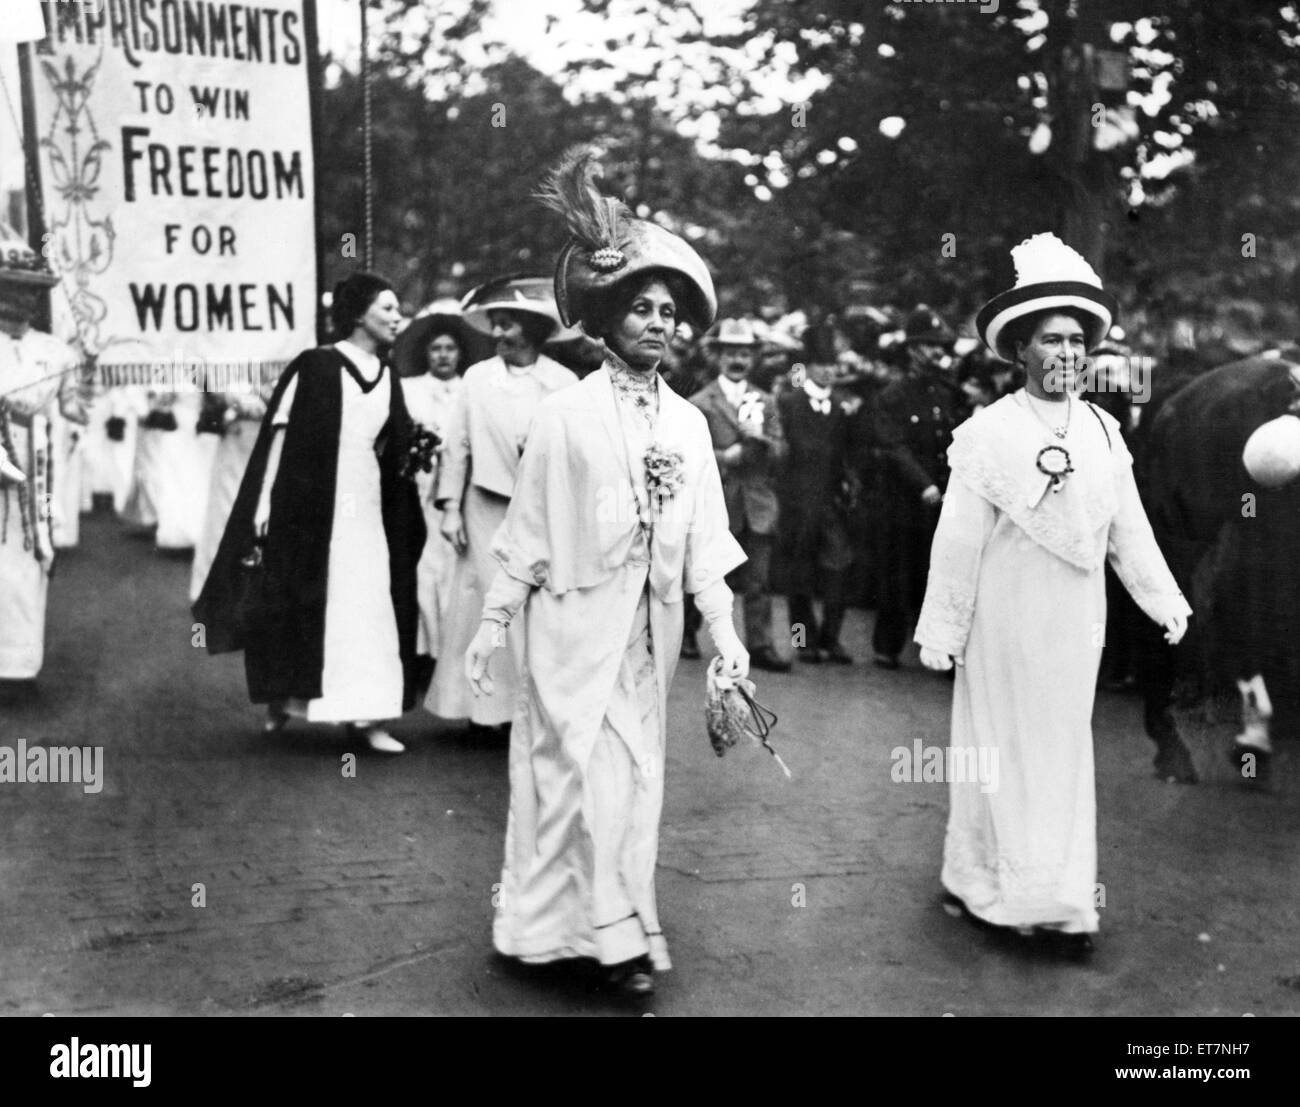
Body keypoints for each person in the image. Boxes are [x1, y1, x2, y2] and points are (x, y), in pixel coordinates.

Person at [467, 150, 748, 997]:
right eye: (641, 308)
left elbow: (708, 547)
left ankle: (618, 940)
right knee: (563, 779)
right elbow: (526, 532)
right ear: (607, 317)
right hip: (568, 626)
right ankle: (540, 931)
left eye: (669, 311)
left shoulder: (693, 429)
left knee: (630, 783)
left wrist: (725, 639)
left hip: (645, 637)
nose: (659, 323)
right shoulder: (563, 417)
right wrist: (489, 626)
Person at [914, 233, 1190, 957]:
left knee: (1061, 752)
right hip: (1004, 618)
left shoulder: (1103, 430)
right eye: (1051, 341)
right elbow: (959, 541)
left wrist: (1163, 597)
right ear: (1020, 350)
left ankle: (1062, 897)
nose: (1068, 355)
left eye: (1077, 342)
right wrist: (943, 629)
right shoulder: (986, 433)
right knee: (1003, 749)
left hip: (1075, 618)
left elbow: (1128, 526)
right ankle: (1007, 893)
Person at [193, 271, 426, 754]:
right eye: (387, 307)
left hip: (366, 510)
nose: (397, 315)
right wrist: (263, 509)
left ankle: (368, 715)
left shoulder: (388, 376)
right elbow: (278, 436)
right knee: (305, 602)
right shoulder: (316, 366)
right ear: (359, 313)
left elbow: (390, 444)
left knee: (368, 603)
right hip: (308, 507)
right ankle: (286, 698)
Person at [426, 276, 577, 736]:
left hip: (539, 511)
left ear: (532, 330)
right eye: (495, 324)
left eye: (507, 324)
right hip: (484, 506)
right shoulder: (476, 377)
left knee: (534, 608)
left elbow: (574, 455)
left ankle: (528, 710)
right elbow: (458, 446)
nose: (498, 334)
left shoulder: (562, 383)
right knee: (483, 603)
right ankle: (482, 709)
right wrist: (450, 507)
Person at [0, 227, 85, 681]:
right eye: (9, 290)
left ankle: (18, 662)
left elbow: (73, 407)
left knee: (29, 558)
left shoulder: (55, 351)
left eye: (28, 292)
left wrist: (84, 396)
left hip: (34, 471)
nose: (18, 301)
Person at [689, 318, 789, 672]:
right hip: (719, 501)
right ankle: (687, 633)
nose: (738, 360)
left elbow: (782, 452)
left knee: (758, 581)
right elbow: (686, 455)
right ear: (717, 356)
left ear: (754, 359)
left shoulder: (766, 400)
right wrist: (722, 456)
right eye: (731, 353)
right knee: (705, 574)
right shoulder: (699, 402)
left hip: (758, 503)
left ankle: (760, 645)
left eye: (745, 354)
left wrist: (761, 438)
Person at [871, 305, 964, 669]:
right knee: (897, 571)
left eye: (940, 346)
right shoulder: (892, 394)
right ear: (912, 350)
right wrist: (922, 484)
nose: (937, 353)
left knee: (939, 572)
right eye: (929, 346)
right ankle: (887, 646)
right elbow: (893, 446)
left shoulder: (946, 393)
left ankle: (935, 647)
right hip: (902, 500)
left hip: (941, 498)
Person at [778, 321, 858, 664]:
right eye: (821, 365)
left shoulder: (842, 408)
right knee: (800, 576)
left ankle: (831, 638)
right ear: (808, 367)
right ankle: (802, 640)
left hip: (830, 502)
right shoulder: (790, 403)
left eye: (832, 365)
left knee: (838, 568)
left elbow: (848, 454)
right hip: (797, 502)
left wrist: (849, 483)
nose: (828, 372)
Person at [398, 305, 468, 696]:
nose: (443, 355)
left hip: (457, 495)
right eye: (436, 349)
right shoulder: (409, 390)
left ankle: (450, 655)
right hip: (422, 492)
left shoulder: (471, 389)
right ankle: (422, 652)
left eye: (450, 349)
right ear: (426, 353)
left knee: (454, 573)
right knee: (424, 572)